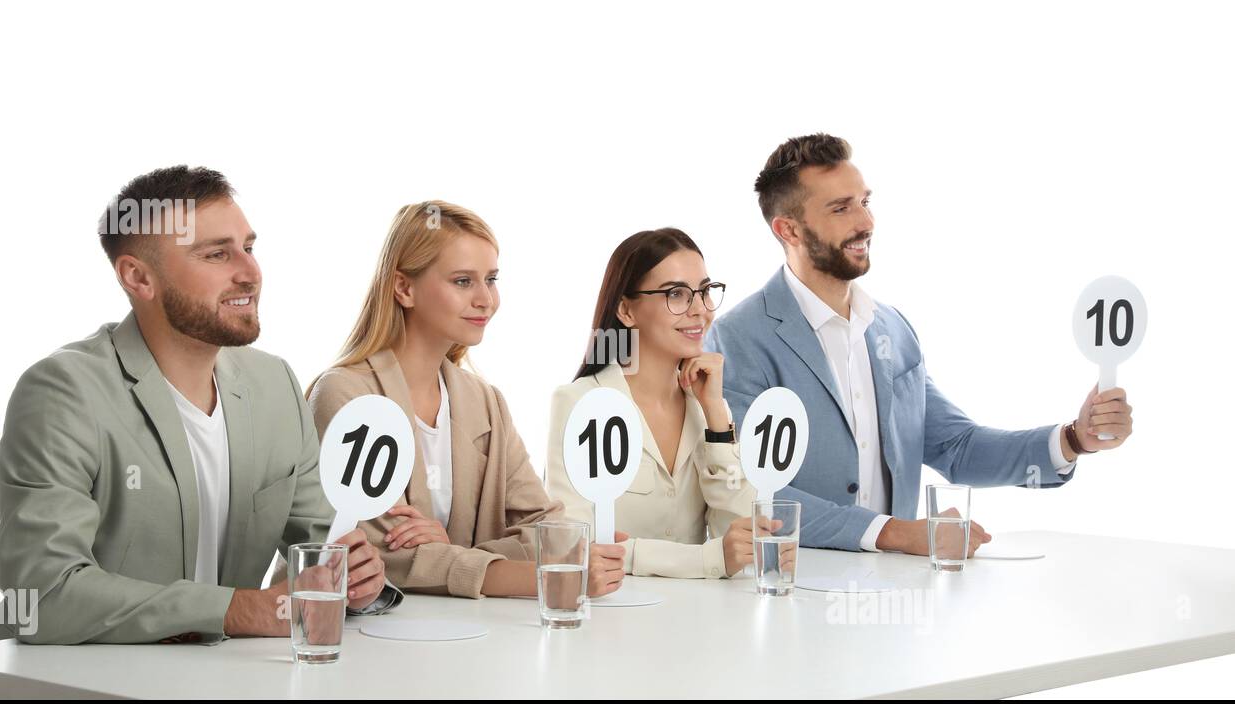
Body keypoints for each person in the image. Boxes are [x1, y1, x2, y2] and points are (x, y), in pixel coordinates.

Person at [0, 166, 398, 699]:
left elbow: (321, 543)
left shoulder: (274, 384)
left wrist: (355, 578)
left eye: (248, 247)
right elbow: (42, 594)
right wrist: (244, 608)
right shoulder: (63, 390)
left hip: (205, 682)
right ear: (138, 278)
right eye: (216, 254)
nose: (249, 272)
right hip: (48, 695)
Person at [706, 134, 1135, 556]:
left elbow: (956, 447)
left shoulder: (891, 329)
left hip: (891, 596)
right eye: (841, 208)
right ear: (789, 230)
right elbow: (750, 488)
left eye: (865, 201)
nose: (866, 223)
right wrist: (895, 533)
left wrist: (1074, 439)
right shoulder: (738, 338)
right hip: (792, 592)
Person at [307, 200, 626, 599]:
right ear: (404, 288)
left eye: (491, 279)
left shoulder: (485, 401)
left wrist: (454, 552)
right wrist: (548, 579)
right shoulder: (346, 395)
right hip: (352, 639)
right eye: (462, 281)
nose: (485, 300)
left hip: (461, 637)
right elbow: (386, 557)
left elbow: (544, 527)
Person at [546, 228, 761, 579]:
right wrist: (705, 560)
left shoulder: (706, 409)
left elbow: (738, 542)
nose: (699, 311)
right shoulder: (580, 403)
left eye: (705, 292)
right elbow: (574, 544)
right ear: (626, 310)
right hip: (611, 621)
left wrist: (717, 418)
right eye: (676, 294)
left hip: (702, 618)